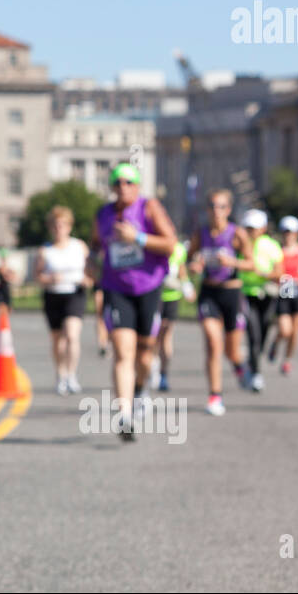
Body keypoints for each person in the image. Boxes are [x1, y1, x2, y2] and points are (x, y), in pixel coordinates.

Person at [89, 163, 178, 439]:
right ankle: (125, 415)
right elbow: (95, 245)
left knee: (144, 354)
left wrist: (137, 237)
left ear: (137, 186)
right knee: (122, 351)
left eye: (128, 182)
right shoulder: (104, 215)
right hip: (117, 288)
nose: (123, 187)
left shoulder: (148, 208)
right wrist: (91, 262)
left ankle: (141, 388)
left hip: (149, 287)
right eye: (117, 183)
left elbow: (171, 243)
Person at [188, 189, 254, 416]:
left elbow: (251, 264)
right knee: (213, 344)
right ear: (207, 210)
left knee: (231, 350)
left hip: (231, 294)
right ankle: (215, 395)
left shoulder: (237, 234)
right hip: (209, 293)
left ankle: (238, 366)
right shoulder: (201, 233)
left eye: (222, 207)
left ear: (229, 210)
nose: (217, 211)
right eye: (213, 206)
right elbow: (189, 259)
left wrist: (232, 262)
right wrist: (194, 265)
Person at [35, 205, 90, 395]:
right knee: (57, 339)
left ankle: (72, 375)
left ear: (69, 226)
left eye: (63, 225)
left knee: (72, 336)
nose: (59, 229)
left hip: (75, 293)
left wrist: (89, 279)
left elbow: (92, 270)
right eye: (56, 225)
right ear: (51, 228)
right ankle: (61, 374)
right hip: (53, 295)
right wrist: (49, 279)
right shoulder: (45, 250)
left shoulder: (79, 246)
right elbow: (38, 276)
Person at [237, 209, 283, 393]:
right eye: (248, 227)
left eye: (254, 228)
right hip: (246, 293)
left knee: (264, 330)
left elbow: (280, 272)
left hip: (268, 293)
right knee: (253, 333)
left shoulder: (271, 246)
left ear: (262, 228)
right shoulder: (240, 244)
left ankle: (254, 360)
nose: (251, 231)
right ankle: (256, 373)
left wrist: (264, 274)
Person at [270, 215, 298, 374]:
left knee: (295, 332)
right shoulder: (277, 251)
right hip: (283, 293)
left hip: (297, 293)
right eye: (286, 232)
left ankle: (287, 360)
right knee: (285, 329)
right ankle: (275, 343)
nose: (289, 235)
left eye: (292, 232)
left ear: (297, 233)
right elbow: (271, 272)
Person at [155, 238, 194, 393]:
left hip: (172, 297)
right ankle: (152, 365)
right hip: (154, 296)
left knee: (165, 334)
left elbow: (182, 270)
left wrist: (187, 287)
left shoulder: (178, 249)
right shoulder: (153, 245)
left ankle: (163, 374)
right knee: (152, 335)